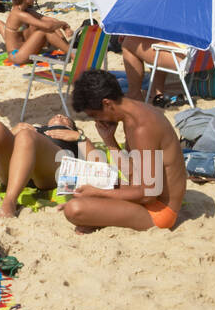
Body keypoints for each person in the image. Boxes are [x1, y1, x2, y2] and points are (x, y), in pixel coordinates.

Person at [61, 70, 186, 232]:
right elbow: (134, 176)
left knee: (74, 209)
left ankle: (99, 214)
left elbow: (148, 194)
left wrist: (100, 193)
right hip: (145, 196)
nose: (97, 121)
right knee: (83, 189)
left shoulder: (142, 128)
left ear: (107, 103)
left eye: (95, 115)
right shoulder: (134, 114)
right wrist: (109, 140)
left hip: (160, 210)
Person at [0, 111, 87, 217]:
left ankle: (10, 202)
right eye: (57, 115)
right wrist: (12, 132)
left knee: (26, 135)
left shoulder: (73, 136)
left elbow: (92, 162)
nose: (60, 116)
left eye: (65, 118)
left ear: (73, 127)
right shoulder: (36, 129)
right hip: (19, 168)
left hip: (50, 170)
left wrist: (79, 137)